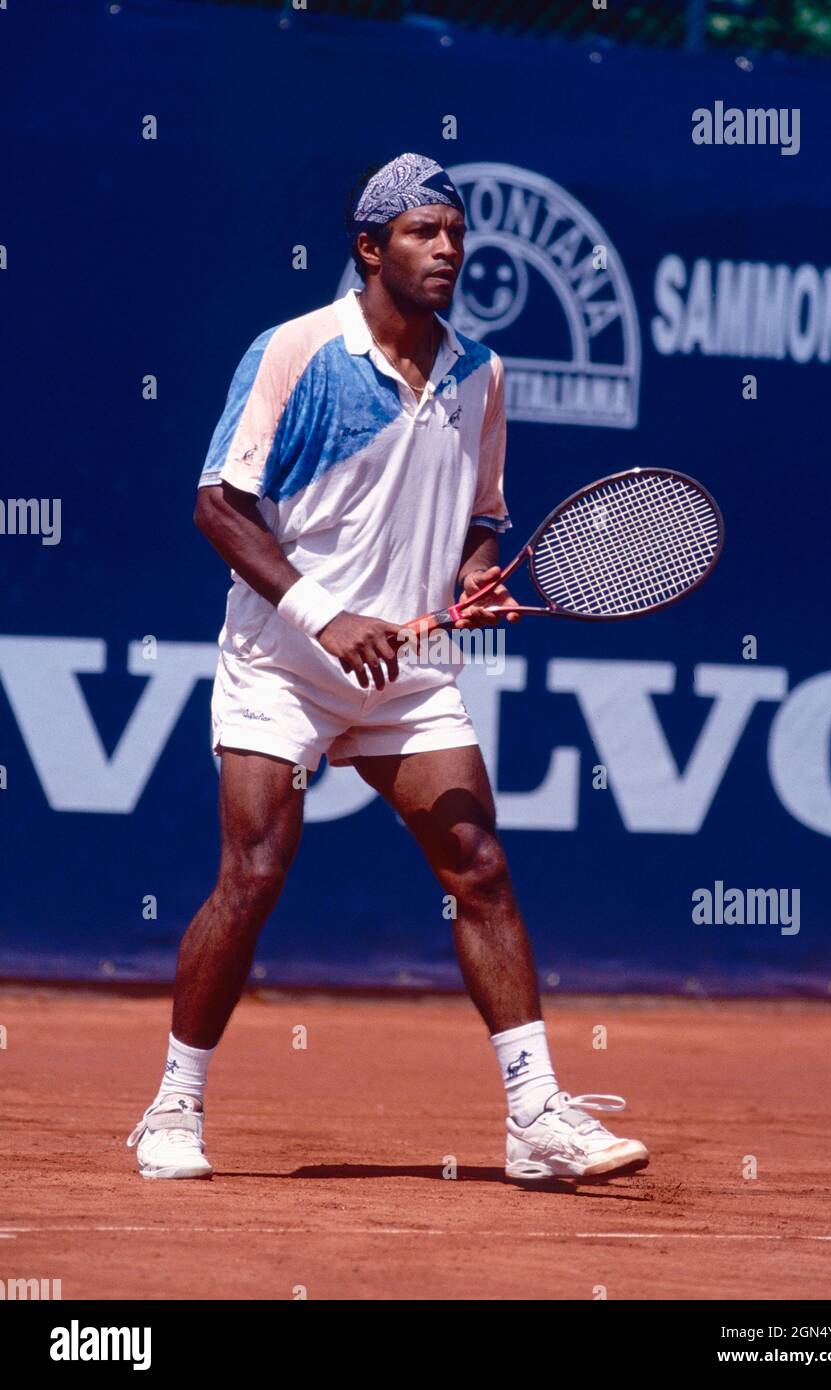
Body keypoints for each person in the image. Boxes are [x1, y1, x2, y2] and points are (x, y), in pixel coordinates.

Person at [126, 152, 649, 1185]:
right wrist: (326, 617)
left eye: (455, 232)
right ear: (369, 248)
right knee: (254, 874)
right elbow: (217, 506)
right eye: (422, 232)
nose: (446, 248)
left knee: (480, 869)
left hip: (409, 671)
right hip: (282, 661)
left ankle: (534, 1119)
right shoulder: (294, 350)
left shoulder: (479, 374)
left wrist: (479, 577)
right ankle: (172, 1108)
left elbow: (480, 522)